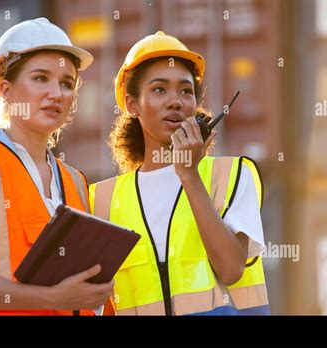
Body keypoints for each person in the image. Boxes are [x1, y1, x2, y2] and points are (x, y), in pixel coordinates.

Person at [0, 18, 114, 315]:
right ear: (6, 89)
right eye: (41, 78)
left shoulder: (75, 181)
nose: (56, 93)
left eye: (67, 83)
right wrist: (55, 299)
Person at [89, 31, 270, 315]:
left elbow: (232, 268)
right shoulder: (101, 199)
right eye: (159, 89)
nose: (176, 101)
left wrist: (189, 175)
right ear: (131, 104)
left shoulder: (233, 175)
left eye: (186, 91)